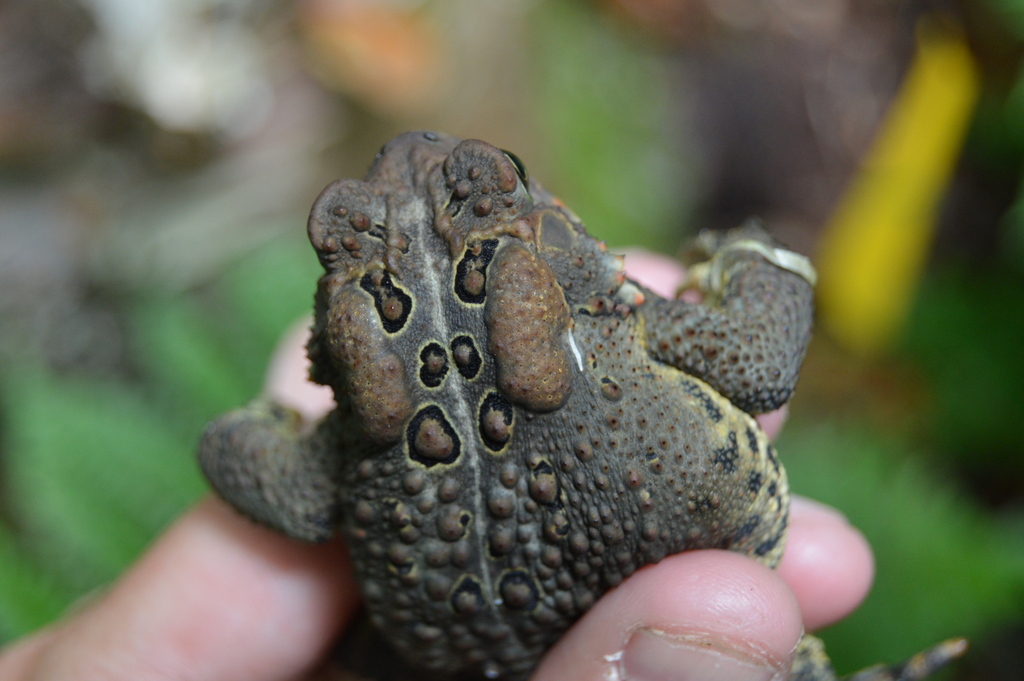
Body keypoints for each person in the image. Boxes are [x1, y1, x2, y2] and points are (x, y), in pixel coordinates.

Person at [0, 252, 874, 681]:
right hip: (647, 580)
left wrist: (265, 417)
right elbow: (761, 356)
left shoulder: (351, 439)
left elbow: (245, 461)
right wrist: (758, 256)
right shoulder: (615, 319)